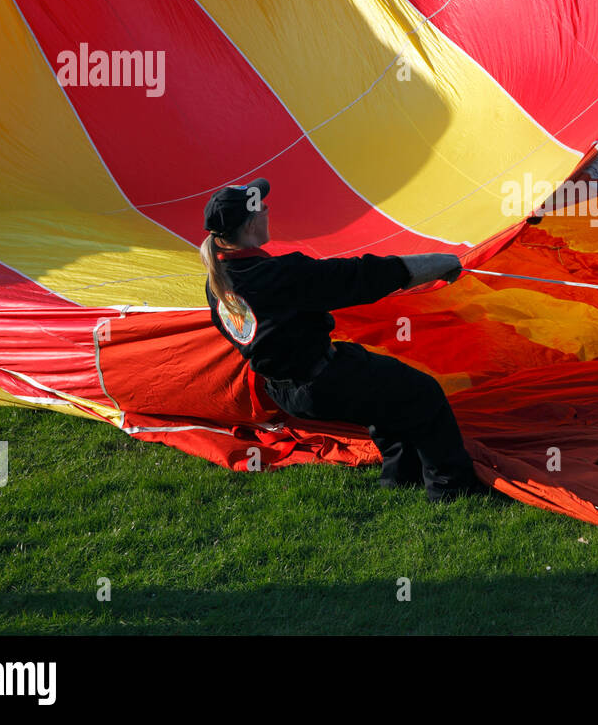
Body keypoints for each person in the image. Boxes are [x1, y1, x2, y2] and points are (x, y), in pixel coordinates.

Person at [200, 178, 487, 501]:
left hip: (283, 388)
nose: (269, 210)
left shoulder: (217, 282)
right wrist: (437, 264)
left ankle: (400, 477)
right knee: (424, 393)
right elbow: (358, 277)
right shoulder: (279, 274)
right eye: (263, 207)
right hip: (320, 382)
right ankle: (452, 490)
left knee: (383, 393)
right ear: (252, 222)